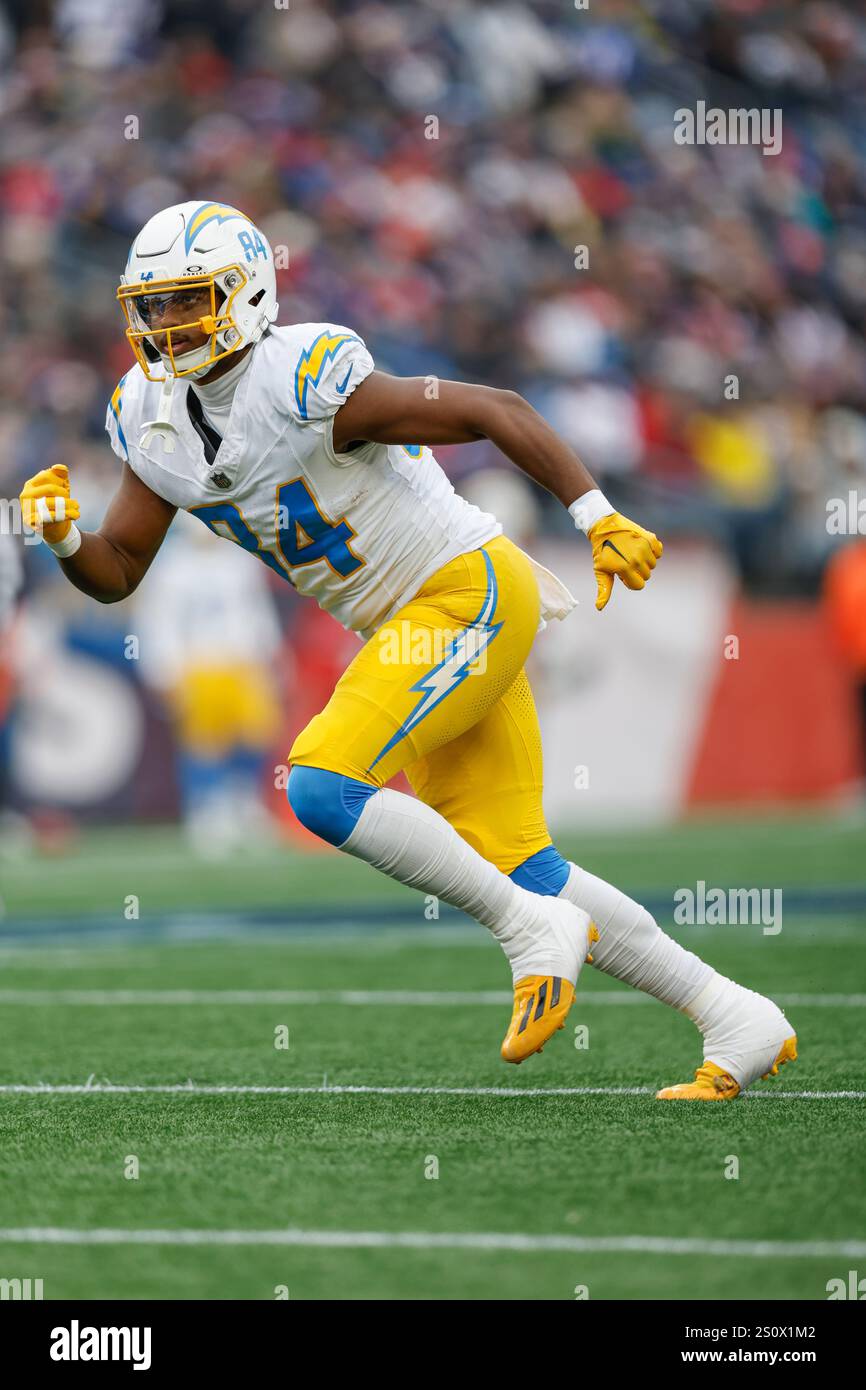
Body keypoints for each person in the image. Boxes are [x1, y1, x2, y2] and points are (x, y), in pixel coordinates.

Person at [20, 201, 796, 1097]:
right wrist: (69, 542)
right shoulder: (146, 414)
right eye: (151, 307)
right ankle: (735, 1013)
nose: (167, 325)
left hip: (464, 591)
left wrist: (596, 513)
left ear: (247, 294)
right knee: (525, 865)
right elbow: (119, 570)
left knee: (319, 782)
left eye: (187, 301)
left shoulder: (303, 373)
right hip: (416, 626)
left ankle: (527, 930)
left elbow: (492, 407)